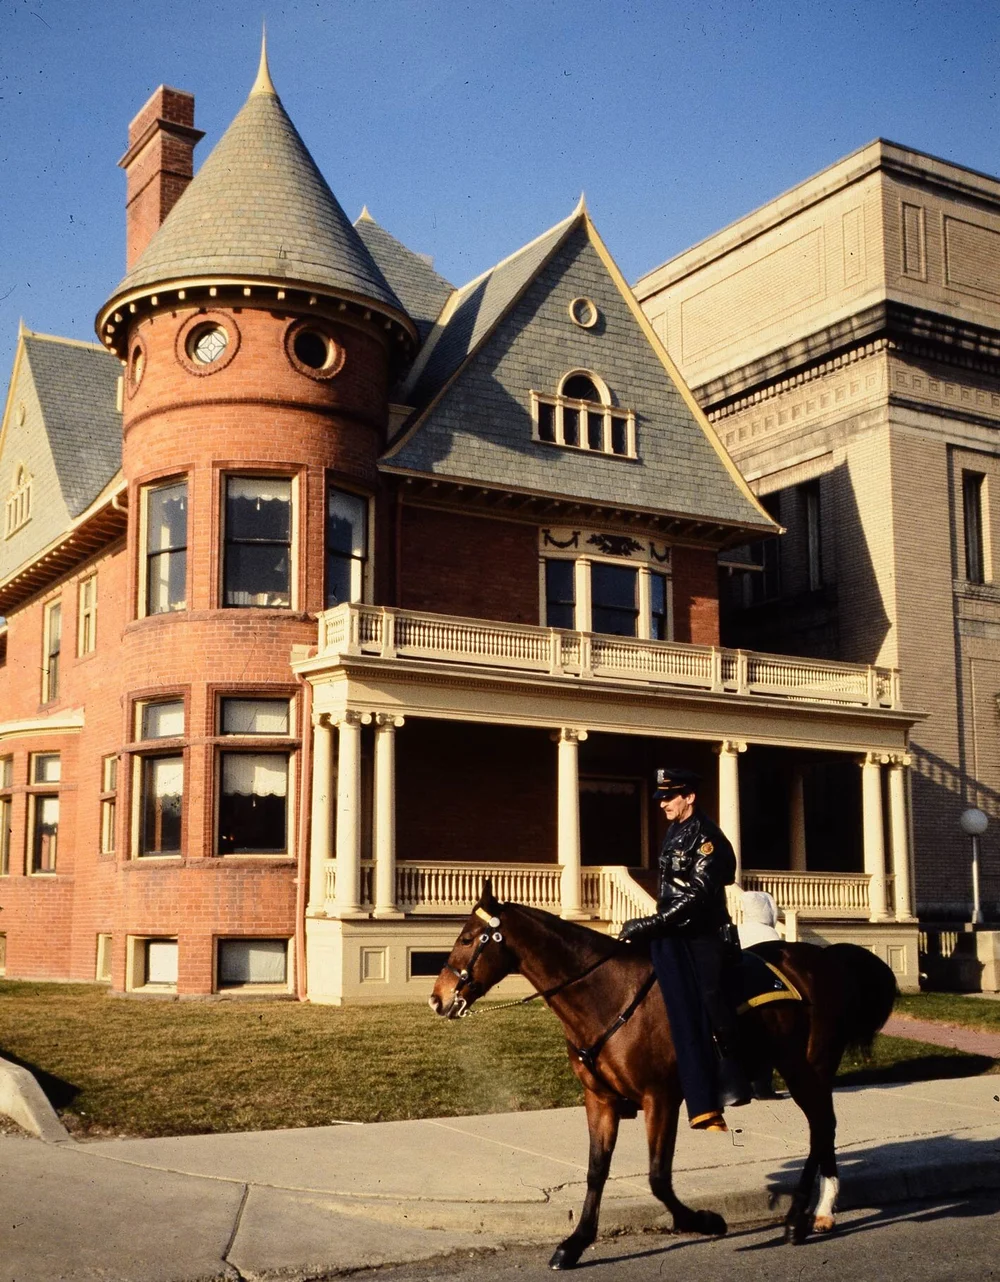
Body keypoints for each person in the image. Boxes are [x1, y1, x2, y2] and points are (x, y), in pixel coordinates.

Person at [618, 767, 752, 1131]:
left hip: (701, 936)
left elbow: (696, 898)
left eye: (670, 796)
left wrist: (649, 924)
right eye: (661, 797)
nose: (662, 803)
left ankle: (722, 1086)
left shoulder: (709, 839)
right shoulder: (675, 832)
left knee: (702, 1004)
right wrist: (654, 927)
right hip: (672, 932)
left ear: (689, 796)